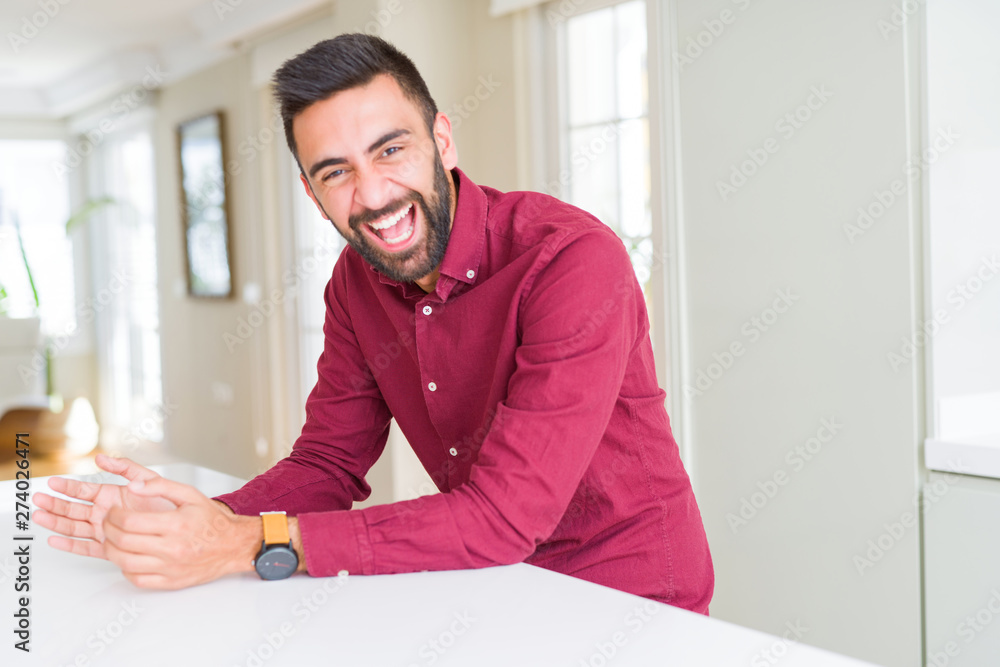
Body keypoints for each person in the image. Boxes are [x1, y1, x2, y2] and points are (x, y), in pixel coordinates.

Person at [32, 33, 714, 613]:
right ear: (312, 193)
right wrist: (197, 521)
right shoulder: (354, 283)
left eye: (391, 150)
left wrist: (247, 541)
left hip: (634, 598)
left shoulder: (571, 261)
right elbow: (328, 463)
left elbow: (504, 515)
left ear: (442, 140)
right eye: (337, 172)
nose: (373, 194)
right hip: (496, 583)